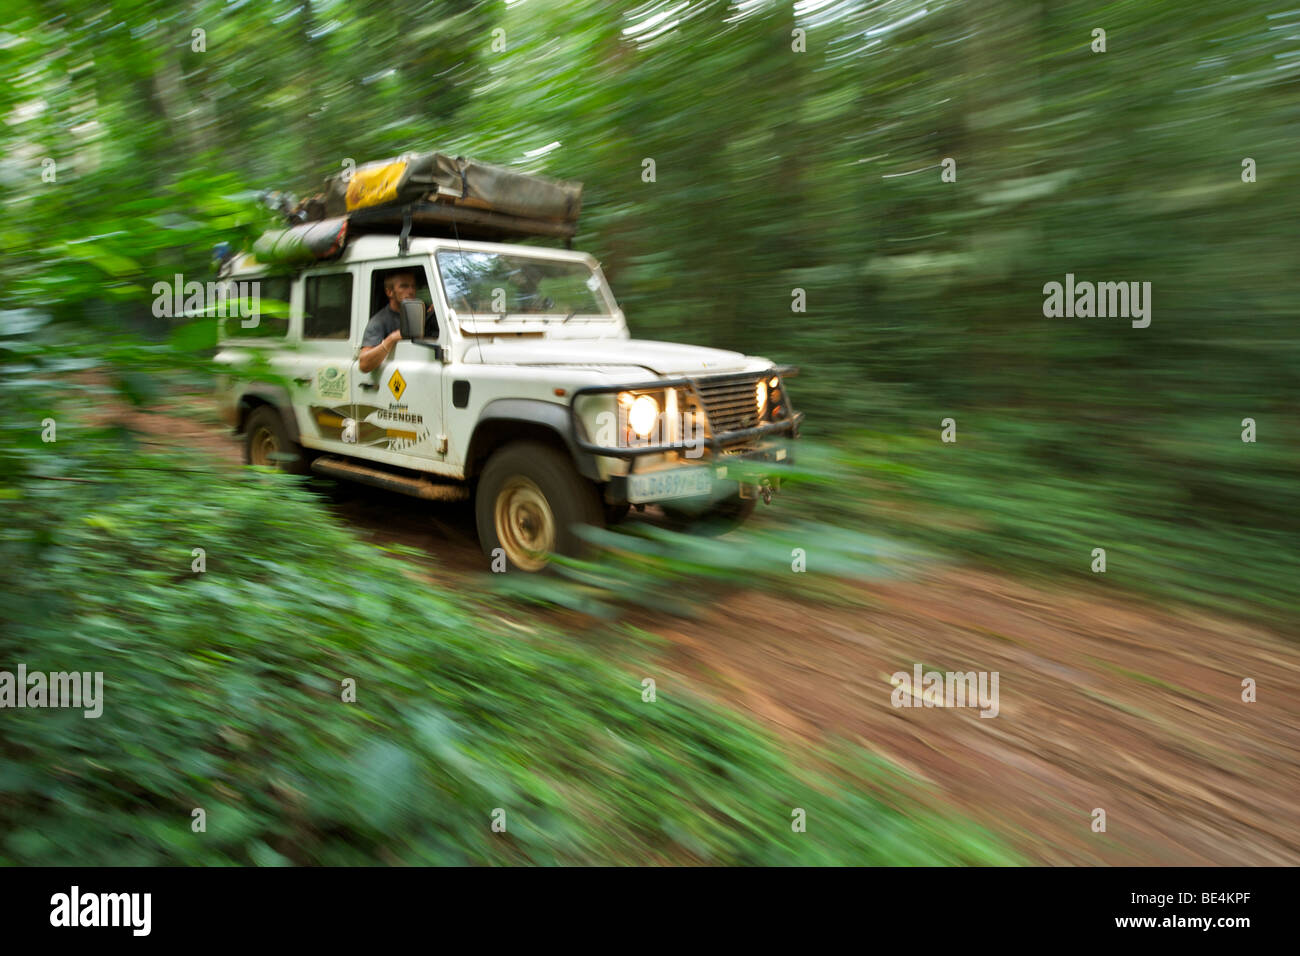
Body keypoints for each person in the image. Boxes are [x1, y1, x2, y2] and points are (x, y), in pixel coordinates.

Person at [359, 271, 419, 373]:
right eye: (404, 286)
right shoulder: (379, 322)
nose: (411, 291)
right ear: (389, 292)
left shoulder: (420, 312)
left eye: (413, 286)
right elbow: (364, 364)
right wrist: (391, 339)